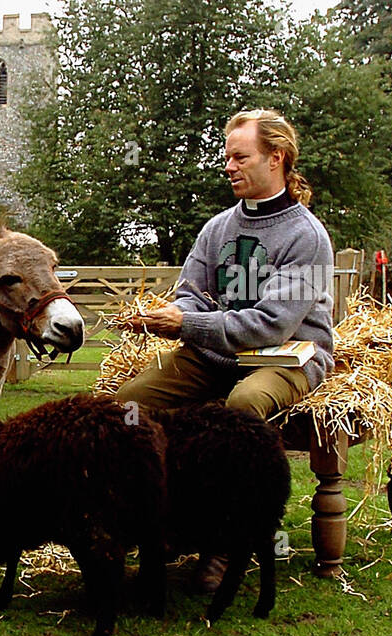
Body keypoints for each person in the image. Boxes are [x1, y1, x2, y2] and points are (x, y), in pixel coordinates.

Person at [114, 108, 335, 588]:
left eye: (240, 156)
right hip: (215, 355)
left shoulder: (307, 236)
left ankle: (223, 542)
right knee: (125, 409)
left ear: (276, 158)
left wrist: (188, 322)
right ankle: (159, 524)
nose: (229, 166)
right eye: (227, 156)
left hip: (290, 356)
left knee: (242, 407)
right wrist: (175, 316)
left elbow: (273, 325)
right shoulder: (218, 228)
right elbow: (189, 292)